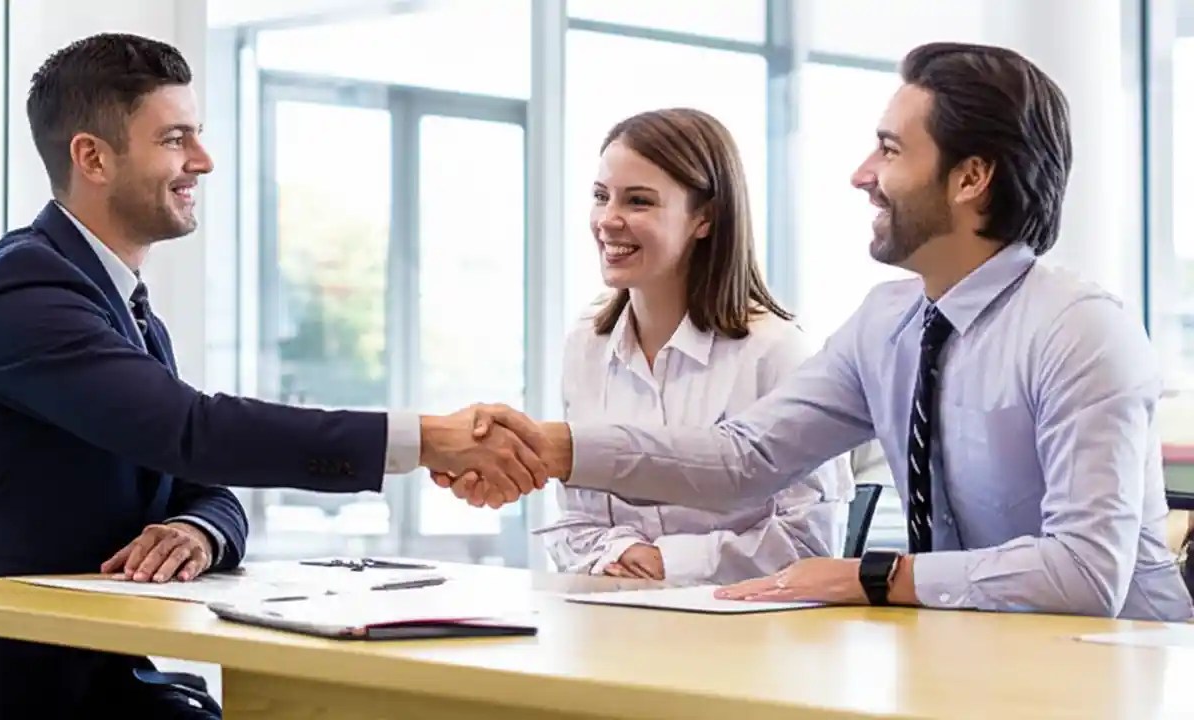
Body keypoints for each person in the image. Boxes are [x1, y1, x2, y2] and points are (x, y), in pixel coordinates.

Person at [0, 33, 545, 719]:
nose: (203, 161)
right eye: (176, 139)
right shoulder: (23, 290)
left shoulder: (123, 310)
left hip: (90, 674)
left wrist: (197, 532)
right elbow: (192, 431)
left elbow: (204, 486)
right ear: (92, 157)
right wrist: (428, 439)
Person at [452, 41, 1194, 622]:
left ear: (971, 178)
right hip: (971, 652)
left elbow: (1085, 573)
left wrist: (873, 575)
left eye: (891, 150)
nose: (862, 174)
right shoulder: (887, 322)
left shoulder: (1080, 329)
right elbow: (744, 458)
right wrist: (551, 447)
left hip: (1122, 666)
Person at [530, 108, 852, 583]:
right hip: (614, 627)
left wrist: (668, 563)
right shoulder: (587, 345)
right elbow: (572, 522)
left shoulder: (775, 353)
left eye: (638, 202)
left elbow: (811, 543)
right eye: (601, 197)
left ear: (705, 218)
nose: (608, 220)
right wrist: (619, 551)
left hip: (744, 638)